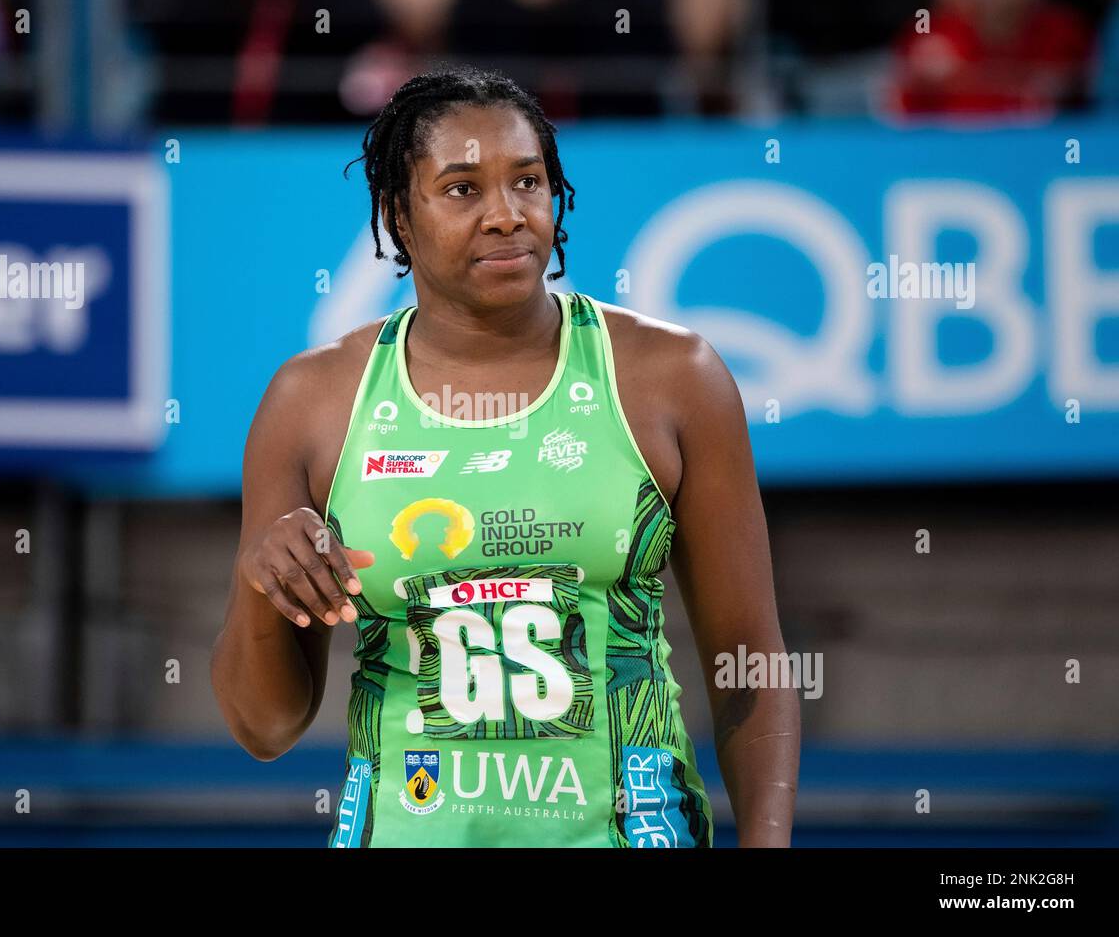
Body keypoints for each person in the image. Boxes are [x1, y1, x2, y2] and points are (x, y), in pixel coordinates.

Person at [210, 64, 798, 847]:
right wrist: (261, 580)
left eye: (528, 181)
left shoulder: (672, 378)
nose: (506, 216)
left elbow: (749, 658)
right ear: (398, 216)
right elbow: (267, 728)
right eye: (462, 190)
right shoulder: (311, 402)